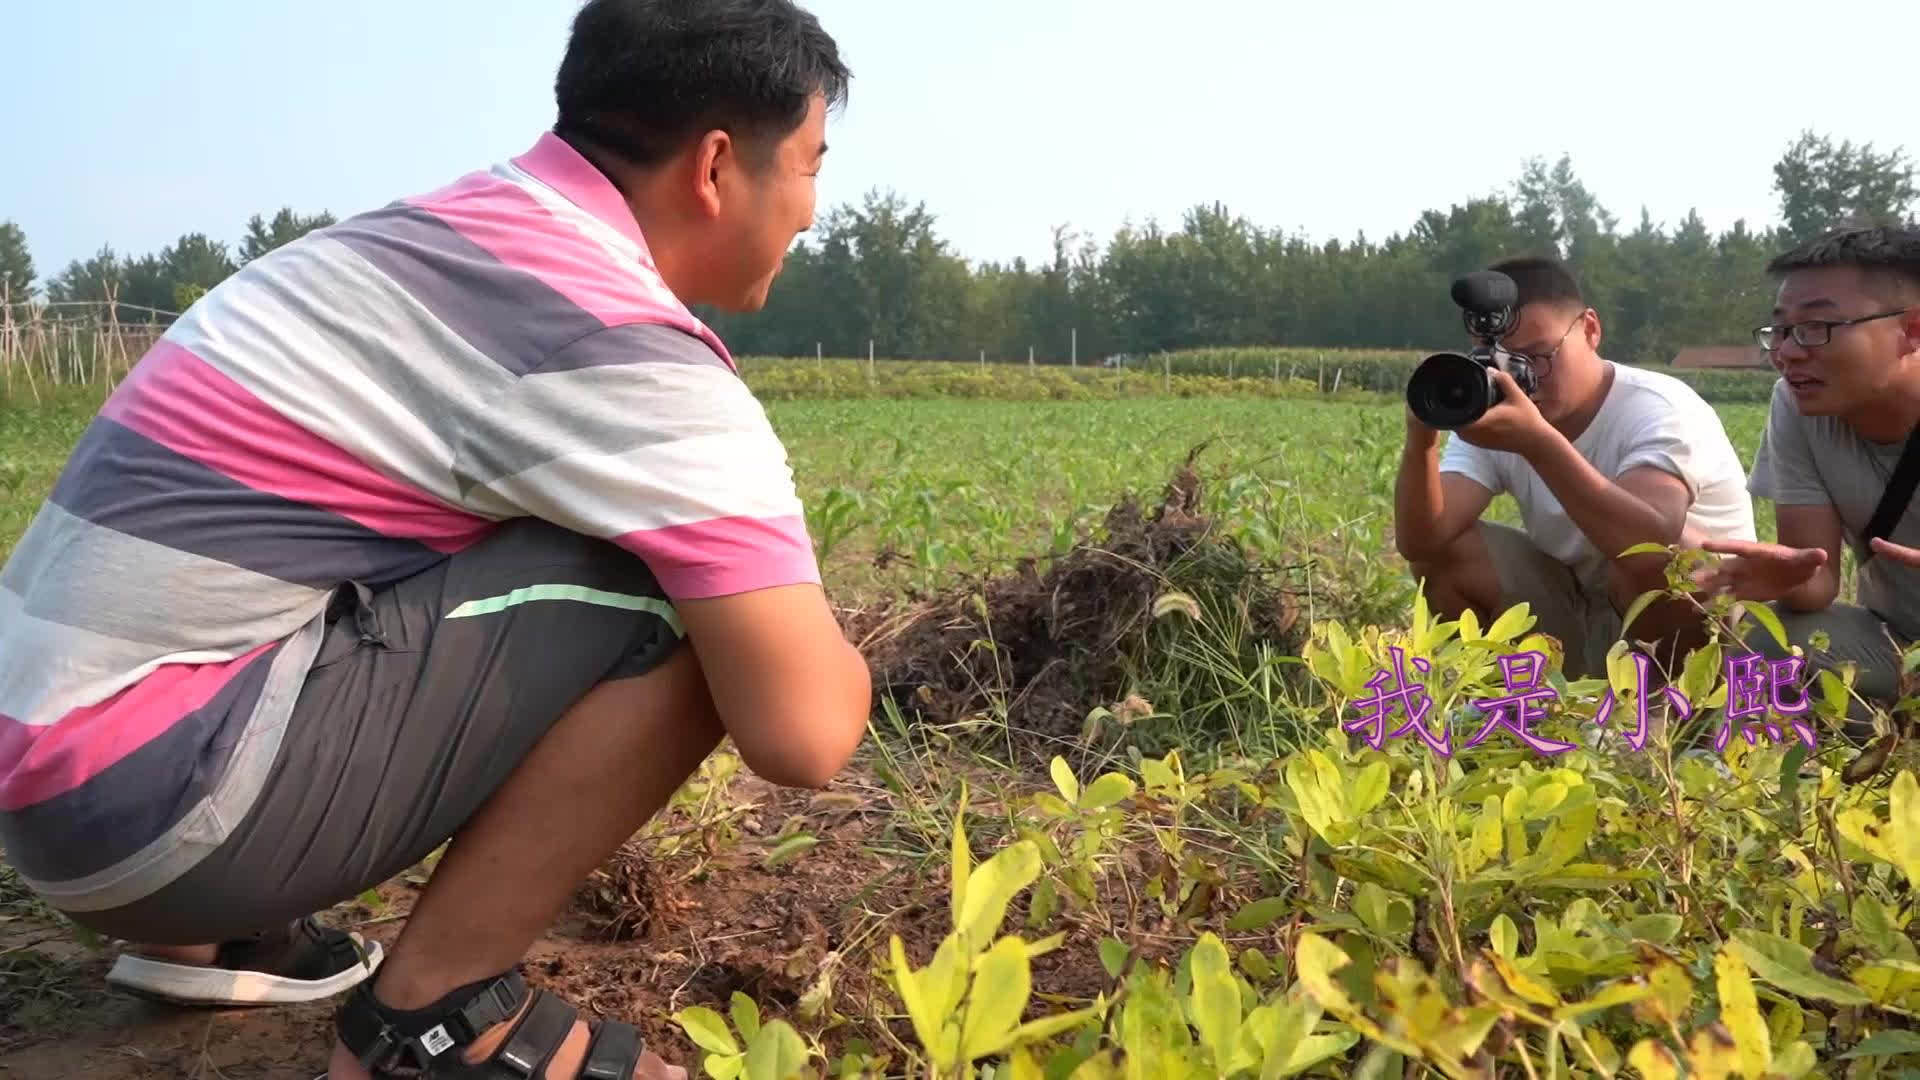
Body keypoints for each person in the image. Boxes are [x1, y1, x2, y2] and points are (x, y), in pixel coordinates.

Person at [0, 1, 870, 1077]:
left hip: (56, 770)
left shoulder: (439, 235)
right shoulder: (617, 335)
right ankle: (435, 1016)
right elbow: (805, 734)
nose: (811, 212)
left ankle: (213, 937)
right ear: (717, 166)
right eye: (811, 166)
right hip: (152, 807)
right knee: (677, 592)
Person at [1394, 255, 1758, 683]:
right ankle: (1532, 701)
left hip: (1701, 632)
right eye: (1500, 361)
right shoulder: (1499, 406)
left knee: (1668, 561)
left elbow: (1647, 544)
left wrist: (1537, 442)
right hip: (1582, 606)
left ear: (1590, 329)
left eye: (1537, 356)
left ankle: (1667, 710)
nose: (1523, 378)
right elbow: (1423, 542)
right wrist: (1422, 439)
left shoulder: (1656, 408)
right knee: (1451, 553)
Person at [1692, 224, 1920, 733]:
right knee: (1767, 642)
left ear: (1911, 330)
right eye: (1782, 330)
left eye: (1817, 327)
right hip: (1897, 644)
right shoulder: (1798, 404)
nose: (1789, 352)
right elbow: (1816, 582)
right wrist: (1787, 578)